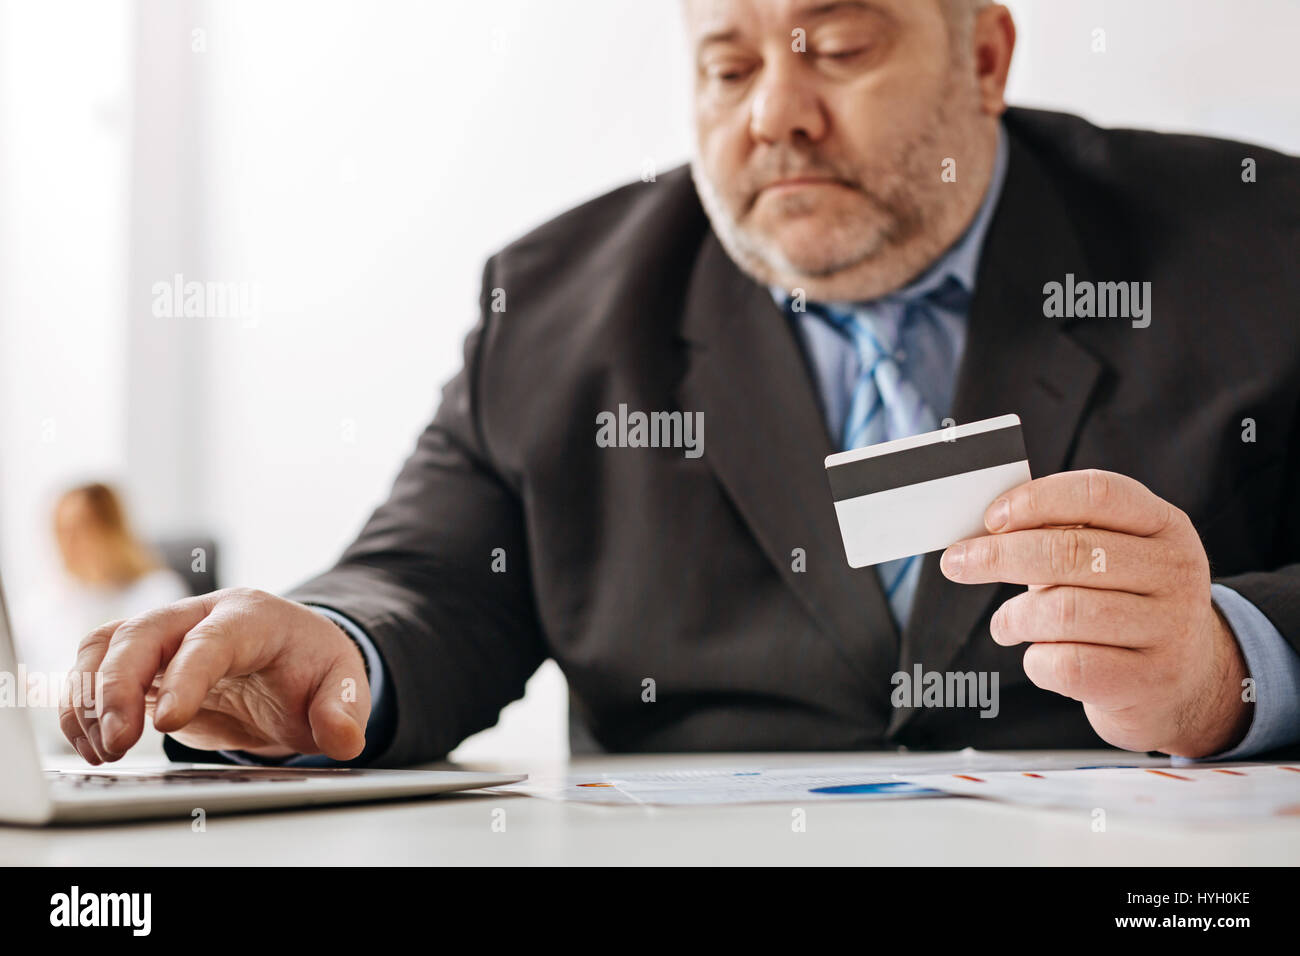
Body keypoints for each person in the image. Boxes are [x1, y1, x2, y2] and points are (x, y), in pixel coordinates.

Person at [61, 0, 1300, 768]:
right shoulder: (554, 306)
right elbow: (427, 578)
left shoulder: (1256, 244)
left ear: (983, 54)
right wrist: (327, 653)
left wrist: (1224, 668)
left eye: (842, 44)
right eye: (725, 64)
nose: (776, 115)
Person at [23, 483, 187, 755]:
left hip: (136, 753)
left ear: (111, 530)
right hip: (55, 751)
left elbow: (146, 701)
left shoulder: (157, 592)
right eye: (60, 532)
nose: (67, 544)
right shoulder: (43, 602)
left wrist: (41, 693)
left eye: (80, 530)